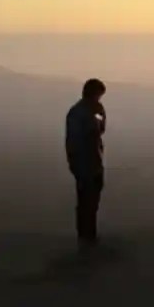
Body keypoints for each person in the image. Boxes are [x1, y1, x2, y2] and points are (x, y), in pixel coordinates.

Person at [65, 79, 107, 247]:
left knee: (92, 198)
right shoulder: (79, 112)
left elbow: (100, 128)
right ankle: (85, 235)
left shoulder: (89, 110)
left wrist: (99, 116)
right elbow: (84, 135)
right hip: (84, 161)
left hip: (93, 160)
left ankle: (88, 233)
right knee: (86, 199)